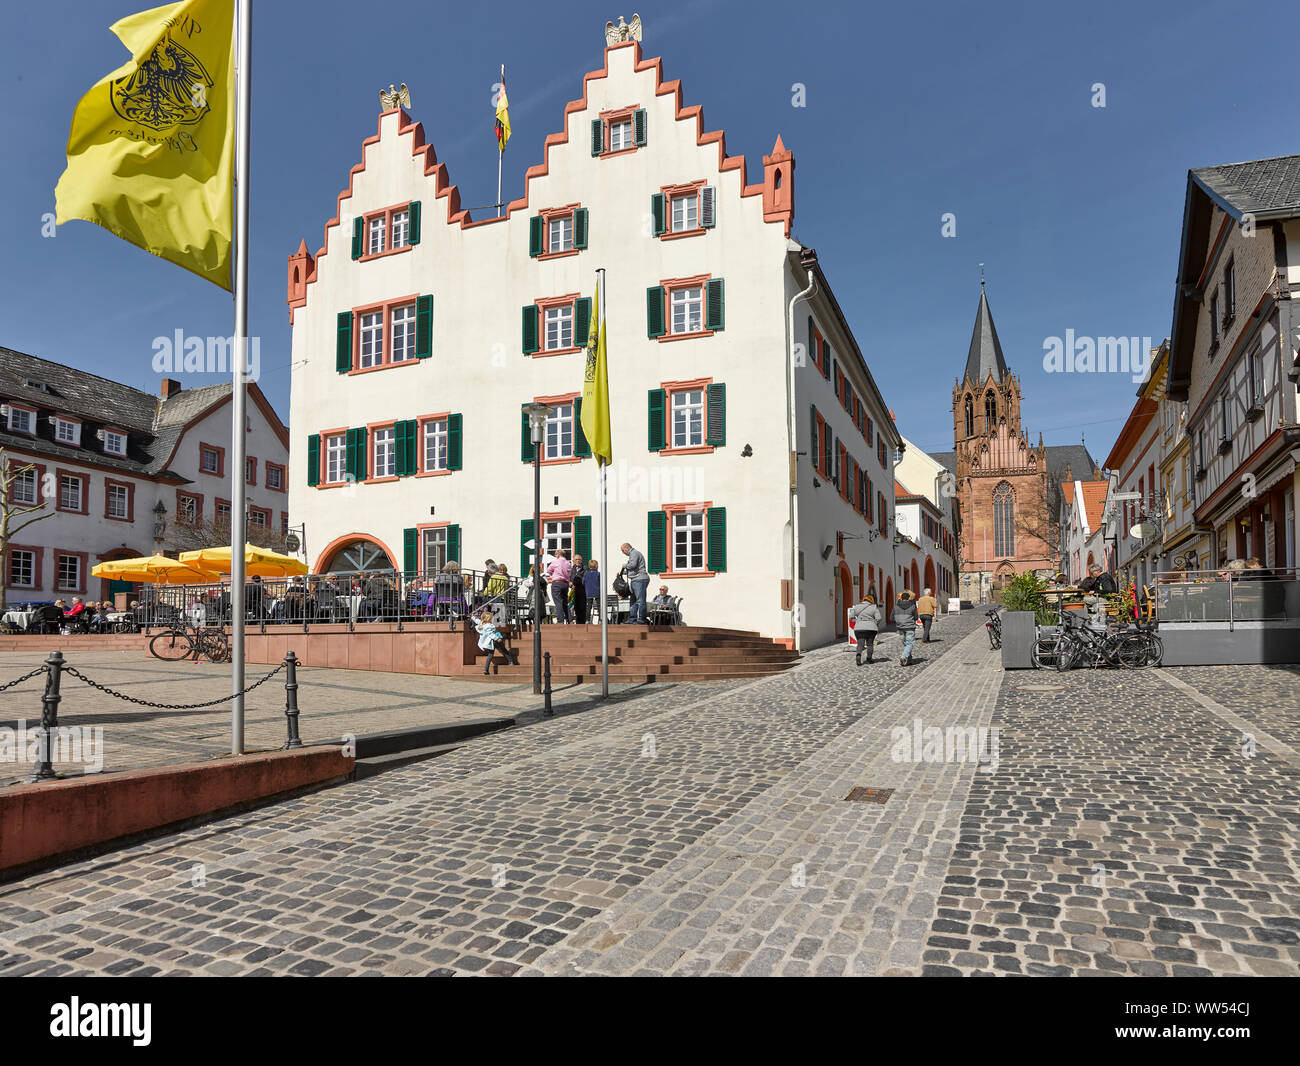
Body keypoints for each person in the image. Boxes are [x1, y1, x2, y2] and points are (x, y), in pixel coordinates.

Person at [474, 609, 518, 674]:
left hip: (490, 642)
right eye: (491, 618)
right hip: (494, 640)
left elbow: (477, 621)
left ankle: (486, 669)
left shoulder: (482, 624)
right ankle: (511, 661)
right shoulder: (489, 626)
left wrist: (473, 617)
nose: (492, 619)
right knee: (503, 649)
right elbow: (491, 634)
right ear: (488, 619)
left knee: (490, 654)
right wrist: (497, 639)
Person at [849, 594, 881, 665]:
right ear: (871, 600)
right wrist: (874, 623)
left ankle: (858, 655)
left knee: (860, 644)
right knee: (870, 644)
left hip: (859, 628)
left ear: (863, 599)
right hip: (871, 629)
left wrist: (857, 621)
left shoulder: (856, 607)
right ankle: (869, 658)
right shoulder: (874, 607)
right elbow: (879, 618)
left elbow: (851, 616)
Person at [622, 542, 649, 624]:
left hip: (639, 579)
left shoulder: (634, 553)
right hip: (636, 579)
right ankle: (632, 618)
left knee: (640, 600)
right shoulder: (633, 554)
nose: (623, 553)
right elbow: (633, 569)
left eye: (623, 550)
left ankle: (641, 619)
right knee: (633, 600)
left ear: (627, 548)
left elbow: (632, 565)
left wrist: (625, 565)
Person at [546, 549, 572, 623]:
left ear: (558, 554)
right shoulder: (568, 563)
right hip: (565, 583)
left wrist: (554, 574)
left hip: (557, 583)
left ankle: (560, 620)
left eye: (555, 554)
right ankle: (569, 619)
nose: (555, 556)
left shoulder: (555, 562)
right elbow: (569, 573)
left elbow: (548, 570)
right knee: (565, 602)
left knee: (558, 602)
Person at [894, 589, 919, 666]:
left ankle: (908, 659)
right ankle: (904, 657)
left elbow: (891, 617)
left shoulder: (896, 607)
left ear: (901, 598)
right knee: (910, 643)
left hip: (900, 627)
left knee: (905, 643)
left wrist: (898, 619)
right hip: (909, 627)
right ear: (908, 598)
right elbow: (916, 617)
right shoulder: (912, 606)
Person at [570, 554, 587, 626]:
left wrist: (577, 583)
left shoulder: (585, 568)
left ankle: (582, 623)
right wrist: (570, 583)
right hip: (574, 591)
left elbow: (585, 579)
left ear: (581, 560)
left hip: (582, 591)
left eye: (579, 559)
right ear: (573, 561)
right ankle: (577, 623)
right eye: (576, 559)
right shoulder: (572, 569)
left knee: (582, 607)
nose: (577, 561)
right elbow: (569, 577)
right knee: (576, 607)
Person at [583, 559, 602, 623]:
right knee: (599, 606)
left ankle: (587, 620)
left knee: (589, 606)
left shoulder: (586, 574)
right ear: (596, 566)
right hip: (597, 591)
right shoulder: (598, 574)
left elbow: (583, 582)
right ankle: (600, 619)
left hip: (588, 592)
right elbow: (601, 583)